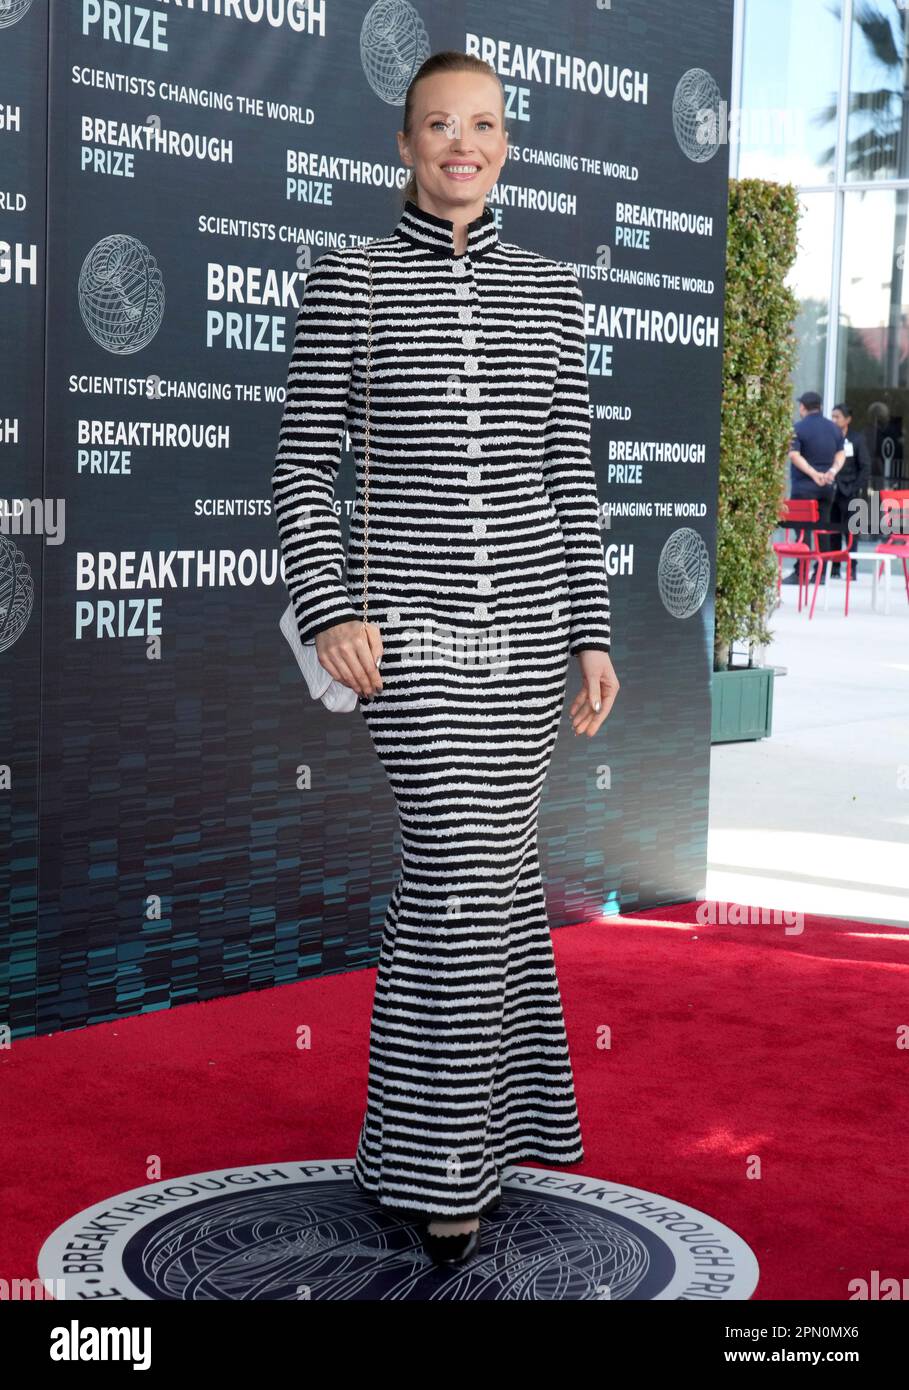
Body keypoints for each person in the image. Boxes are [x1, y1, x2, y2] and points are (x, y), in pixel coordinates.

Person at [271, 51, 619, 1265]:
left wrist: (592, 630)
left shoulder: (550, 290)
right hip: (409, 642)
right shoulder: (347, 282)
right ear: (405, 146)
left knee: (482, 890)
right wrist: (327, 608)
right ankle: (450, 1173)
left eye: (481, 124)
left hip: (528, 647)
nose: (459, 143)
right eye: (436, 125)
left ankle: (420, 1143)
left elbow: (569, 477)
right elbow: (304, 469)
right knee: (462, 874)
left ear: (507, 143)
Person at [782, 391, 845, 586]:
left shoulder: (798, 428)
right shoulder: (834, 429)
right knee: (822, 528)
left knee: (803, 531)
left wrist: (813, 474)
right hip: (826, 487)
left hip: (804, 489)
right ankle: (821, 573)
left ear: (803, 407)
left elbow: (794, 455)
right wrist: (831, 472)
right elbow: (841, 454)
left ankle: (800, 572)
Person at [829, 402, 871, 579]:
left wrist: (855, 488)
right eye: (832, 416)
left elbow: (865, 466)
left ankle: (852, 568)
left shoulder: (857, 439)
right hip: (833, 491)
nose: (834, 420)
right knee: (833, 531)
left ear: (848, 420)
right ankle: (835, 567)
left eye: (837, 417)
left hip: (851, 492)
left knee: (851, 532)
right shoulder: (830, 437)